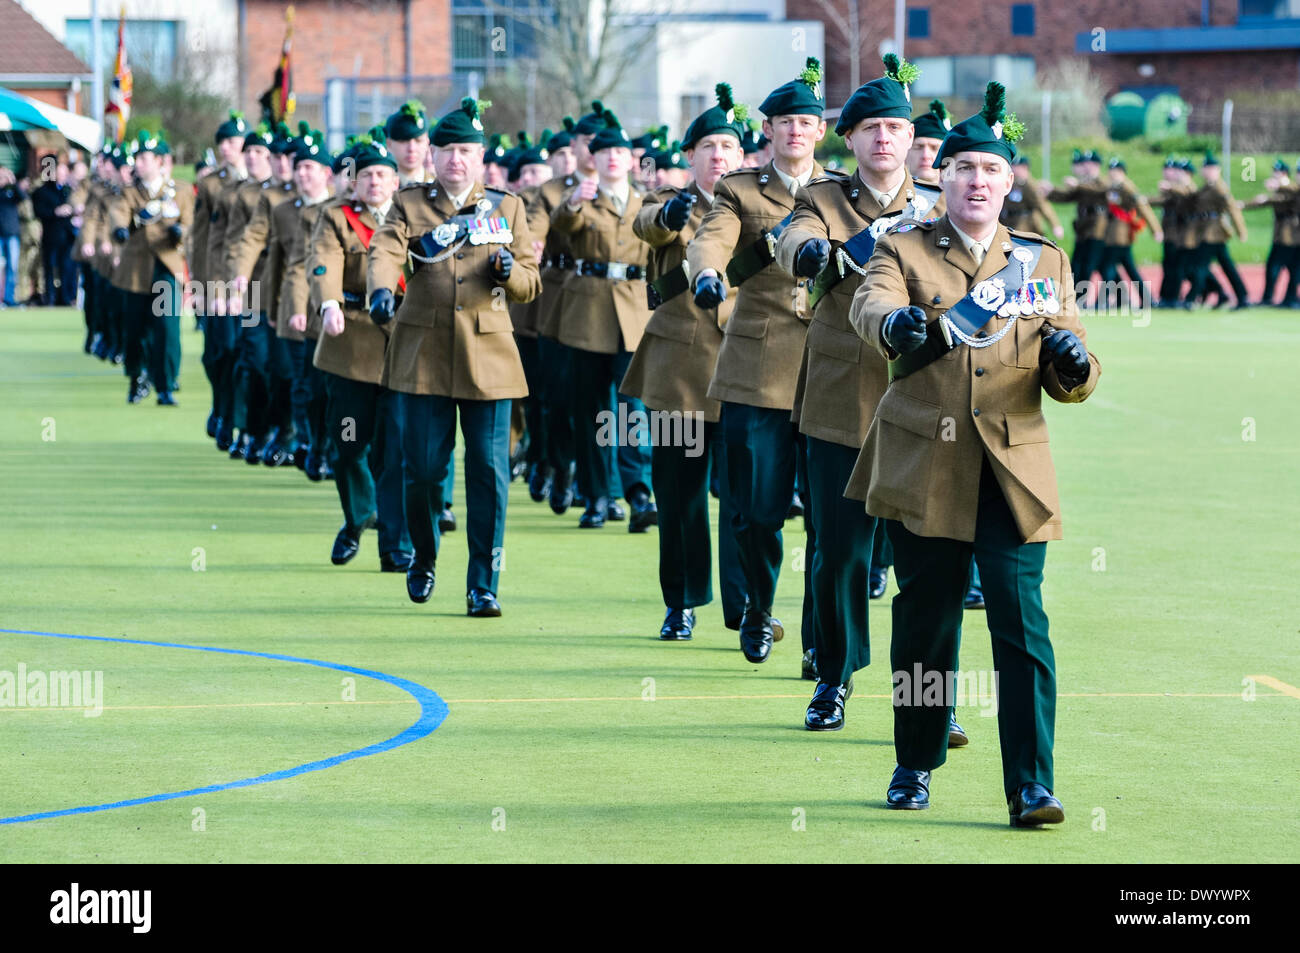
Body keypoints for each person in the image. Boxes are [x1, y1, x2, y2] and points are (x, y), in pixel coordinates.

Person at [846, 82, 1099, 825]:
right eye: (963, 170)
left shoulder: (1042, 261)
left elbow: (1071, 372)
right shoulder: (903, 247)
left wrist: (1073, 361)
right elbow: (872, 304)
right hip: (926, 462)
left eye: (991, 171)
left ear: (1009, 183)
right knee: (925, 622)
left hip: (1014, 470)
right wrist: (898, 328)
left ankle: (1032, 784)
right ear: (942, 178)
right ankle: (915, 761)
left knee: (1022, 625)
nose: (977, 182)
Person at [776, 54, 943, 731]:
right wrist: (815, 253)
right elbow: (794, 243)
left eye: (894, 128)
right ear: (849, 138)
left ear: (911, 138)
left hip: (924, 400)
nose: (883, 140)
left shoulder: (936, 204)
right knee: (839, 549)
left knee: (926, 559)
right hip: (842, 394)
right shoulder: (821, 198)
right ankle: (834, 675)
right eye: (870, 128)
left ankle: (932, 697)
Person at [367, 98, 540, 615]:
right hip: (424, 353)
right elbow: (385, 250)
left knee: (489, 471)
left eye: (465, 151)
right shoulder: (409, 202)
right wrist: (380, 289)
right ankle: (423, 556)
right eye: (446, 151)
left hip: (488, 355)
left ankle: (482, 584)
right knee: (421, 470)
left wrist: (510, 271)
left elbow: (532, 283)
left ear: (481, 156)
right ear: (432, 156)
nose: (456, 160)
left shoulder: (506, 207)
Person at [686, 57, 827, 663]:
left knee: (829, 520)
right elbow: (710, 239)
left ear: (821, 131)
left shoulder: (840, 193)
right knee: (753, 511)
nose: (795, 130)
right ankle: (758, 611)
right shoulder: (740, 189)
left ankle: (822, 641)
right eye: (784, 121)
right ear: (766, 129)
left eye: (806, 120)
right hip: (756, 369)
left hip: (831, 370)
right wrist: (708, 276)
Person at [621, 82, 748, 640]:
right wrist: (672, 210)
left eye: (728, 146)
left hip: (749, 367)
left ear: (743, 156)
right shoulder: (669, 202)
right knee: (678, 496)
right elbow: (646, 225)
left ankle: (746, 605)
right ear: (690, 156)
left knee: (748, 497)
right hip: (679, 373)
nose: (718, 156)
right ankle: (682, 600)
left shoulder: (766, 204)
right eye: (708, 148)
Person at [307, 129, 413, 572]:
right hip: (349, 343)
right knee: (348, 442)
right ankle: (357, 518)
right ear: (354, 180)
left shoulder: (412, 216)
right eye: (366, 174)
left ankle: (396, 543)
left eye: (382, 174)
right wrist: (328, 303)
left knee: (398, 449)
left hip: (404, 346)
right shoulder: (336, 217)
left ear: (394, 181)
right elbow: (322, 262)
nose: (374, 182)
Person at [549, 110, 656, 530]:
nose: (612, 157)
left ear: (631, 159)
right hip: (588, 312)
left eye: (620, 151)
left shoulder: (647, 203)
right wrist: (574, 201)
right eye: (604, 150)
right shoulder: (580, 198)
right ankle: (596, 496)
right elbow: (561, 230)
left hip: (633, 311)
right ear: (592, 156)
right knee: (593, 410)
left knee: (633, 411)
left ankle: (638, 492)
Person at [228, 122, 300, 464]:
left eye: (289, 159)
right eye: (278, 158)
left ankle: (289, 434)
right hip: (260, 291)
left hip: (301, 296)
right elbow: (250, 238)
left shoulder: (316, 196)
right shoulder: (265, 197)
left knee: (289, 370)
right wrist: (238, 277)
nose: (283, 165)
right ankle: (257, 430)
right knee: (257, 362)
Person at [111, 130, 193, 406]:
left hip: (166, 267)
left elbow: (192, 223)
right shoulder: (129, 193)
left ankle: (166, 384)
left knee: (167, 328)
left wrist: (181, 231)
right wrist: (122, 229)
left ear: (160, 161)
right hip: (135, 269)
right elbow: (120, 215)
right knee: (133, 331)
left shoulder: (179, 191)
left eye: (145, 158)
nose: (139, 163)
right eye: (137, 158)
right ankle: (137, 376)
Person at [195, 112, 249, 449]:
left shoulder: (267, 182)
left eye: (233, 142)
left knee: (244, 355)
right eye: (222, 143)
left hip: (256, 283)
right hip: (220, 282)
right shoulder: (212, 184)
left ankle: (237, 421)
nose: (226, 148)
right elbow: (203, 239)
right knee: (216, 354)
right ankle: (220, 406)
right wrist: (204, 286)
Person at [1187, 151, 1249, 310]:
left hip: (1214, 233)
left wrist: (1241, 230)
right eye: (1205, 168)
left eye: (1209, 168)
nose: (1205, 171)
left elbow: (1232, 209)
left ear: (1216, 169)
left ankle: (1191, 298)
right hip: (1207, 232)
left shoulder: (1219, 187)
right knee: (1227, 266)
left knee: (1200, 266)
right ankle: (1238, 296)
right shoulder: (1208, 187)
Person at [1248, 159, 1300, 307]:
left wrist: (1281, 184)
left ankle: (1285, 298)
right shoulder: (1289, 189)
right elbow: (1271, 201)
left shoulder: (1291, 188)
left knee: (1280, 266)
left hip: (1291, 236)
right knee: (1291, 268)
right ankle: (1288, 298)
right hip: (1287, 235)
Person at [32, 158, 78, 306]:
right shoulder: (43, 191)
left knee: (66, 268)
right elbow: (38, 211)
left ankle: (65, 298)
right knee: (50, 268)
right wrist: (55, 212)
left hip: (67, 236)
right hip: (51, 236)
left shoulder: (69, 191)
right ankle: (50, 298)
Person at [1001, 155, 1063, 239]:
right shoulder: (1013, 183)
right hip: (1009, 223)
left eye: (1016, 166)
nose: (1013, 168)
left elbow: (1042, 205)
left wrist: (1055, 225)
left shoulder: (1031, 185)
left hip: (1025, 226)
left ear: (1025, 168)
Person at [0, 167, 26, 307]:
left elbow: (23, 197)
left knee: (12, 267)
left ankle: (9, 298)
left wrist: (13, 182)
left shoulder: (12, 191)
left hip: (11, 234)